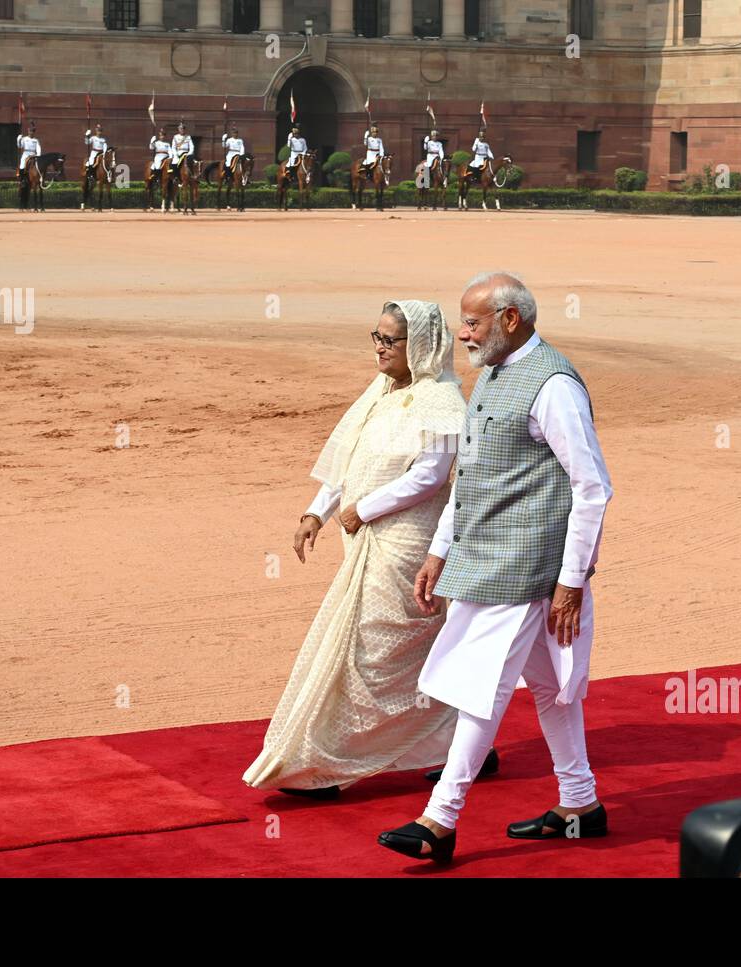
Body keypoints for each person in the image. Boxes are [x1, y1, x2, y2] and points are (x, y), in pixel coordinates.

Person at [377, 270, 613, 865]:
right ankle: (581, 803)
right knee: (550, 689)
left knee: (482, 685)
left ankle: (440, 818)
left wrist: (570, 582)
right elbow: (471, 476)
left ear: (510, 320)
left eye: (473, 322)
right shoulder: (491, 375)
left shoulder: (554, 384)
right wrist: (439, 549)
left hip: (528, 566)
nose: (462, 334)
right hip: (487, 558)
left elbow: (592, 487)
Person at [244, 300, 486, 799]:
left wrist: (365, 508)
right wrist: (317, 512)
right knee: (387, 652)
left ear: (417, 345)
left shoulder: (441, 399)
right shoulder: (379, 392)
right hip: (367, 536)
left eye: (389, 340)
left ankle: (330, 764)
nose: (379, 348)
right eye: (375, 337)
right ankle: (462, 746)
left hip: (407, 545)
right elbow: (346, 461)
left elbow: (432, 474)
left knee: (375, 652)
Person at [16, 120, 41, 187]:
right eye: (30, 131)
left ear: (34, 132)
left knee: (39, 166)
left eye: (32, 131)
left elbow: (38, 148)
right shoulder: (24, 139)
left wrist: (38, 155)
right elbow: (20, 146)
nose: (31, 133)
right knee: (22, 164)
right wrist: (18, 140)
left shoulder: (36, 140)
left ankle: (41, 179)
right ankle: (21, 179)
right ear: (28, 131)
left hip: (33, 154)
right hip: (26, 153)